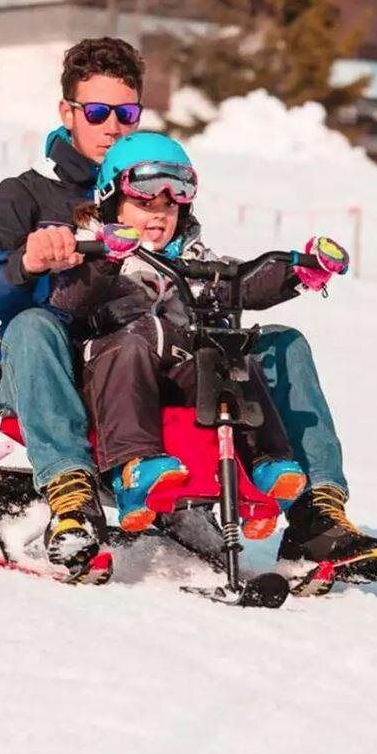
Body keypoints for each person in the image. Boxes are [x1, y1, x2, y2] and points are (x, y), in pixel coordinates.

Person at [0, 37, 377, 584]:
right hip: (60, 369)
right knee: (33, 322)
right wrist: (27, 262)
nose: (113, 125)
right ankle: (72, 496)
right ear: (67, 112)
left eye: (126, 112)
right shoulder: (25, 197)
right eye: (97, 112)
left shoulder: (159, 182)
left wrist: (289, 273)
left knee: (278, 343)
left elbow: (212, 274)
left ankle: (315, 515)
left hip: (159, 357)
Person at [49, 132, 319, 542]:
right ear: (110, 202)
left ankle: (264, 467)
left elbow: (240, 282)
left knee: (231, 357)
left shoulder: (193, 259)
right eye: (144, 203)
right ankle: (133, 468)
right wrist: (105, 258)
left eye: (170, 205)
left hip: (174, 370)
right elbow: (69, 297)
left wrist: (295, 275)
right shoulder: (92, 248)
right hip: (107, 370)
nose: (158, 215)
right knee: (134, 341)